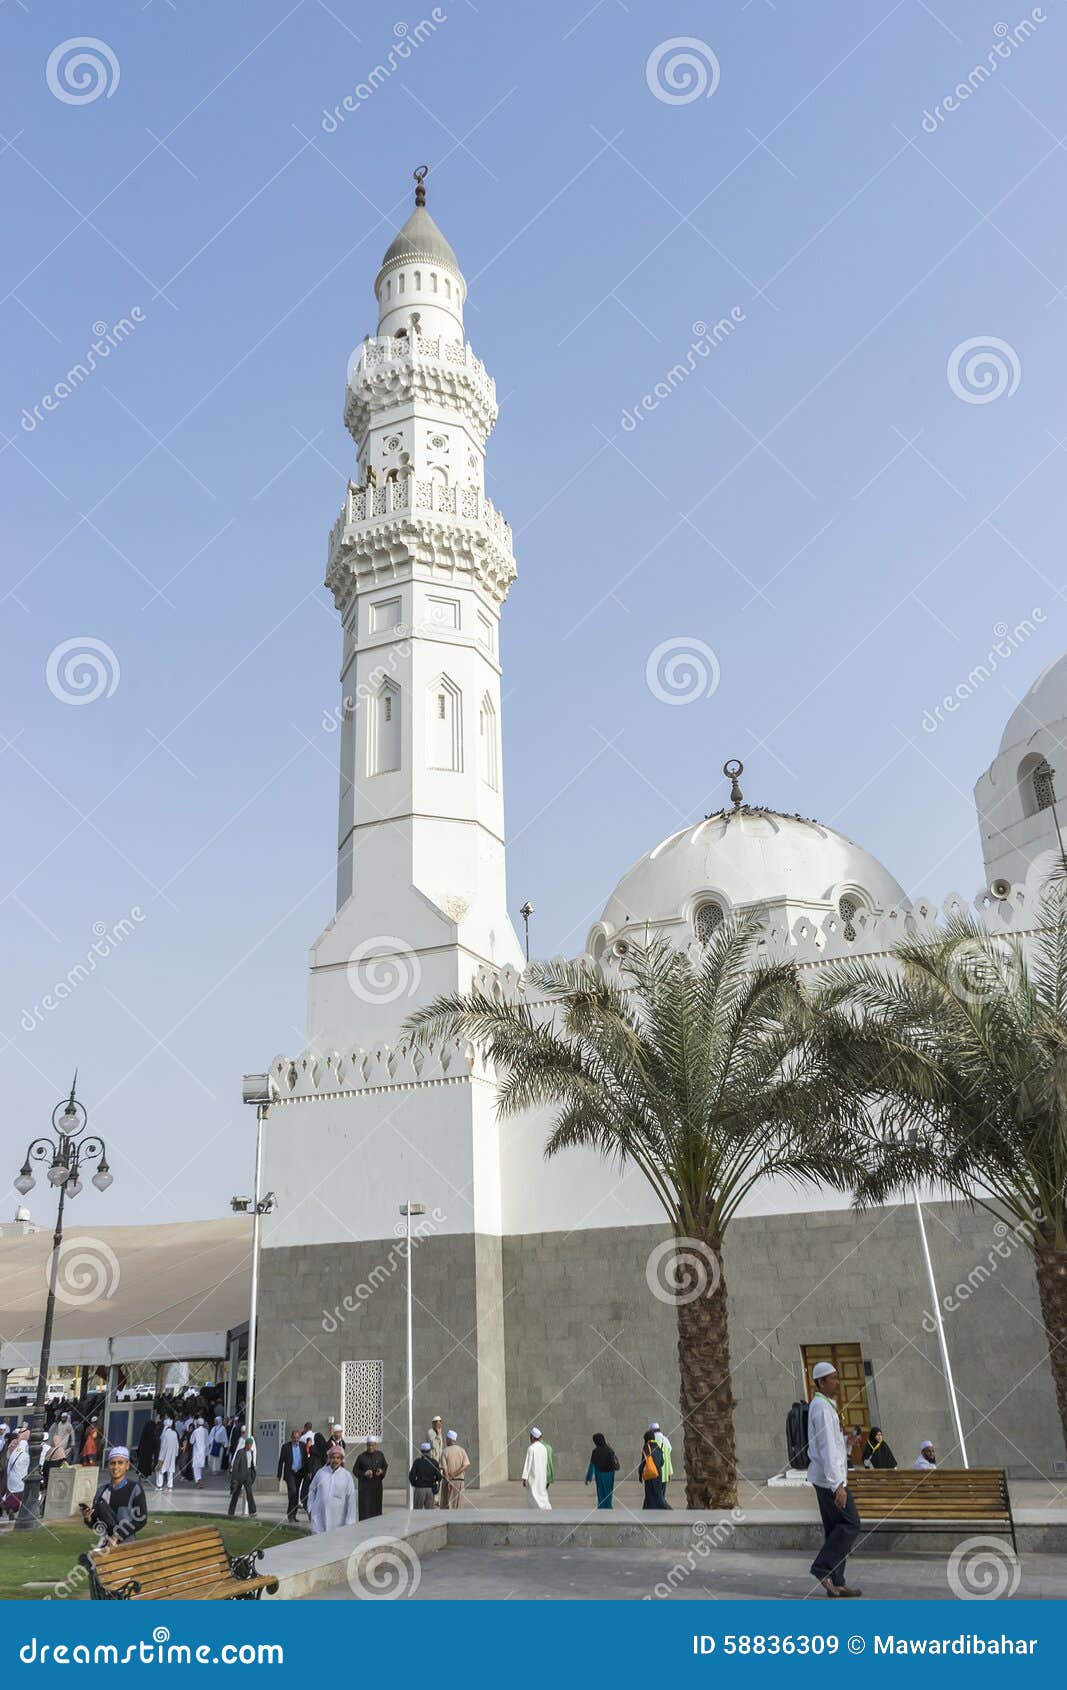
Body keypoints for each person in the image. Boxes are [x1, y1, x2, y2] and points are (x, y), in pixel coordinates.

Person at [806, 1360, 862, 1598]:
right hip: (830, 1481)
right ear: (820, 1382)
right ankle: (822, 1568)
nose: (838, 1382)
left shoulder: (826, 1406)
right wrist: (837, 1485)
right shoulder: (821, 1408)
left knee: (836, 1528)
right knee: (851, 1524)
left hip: (828, 1478)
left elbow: (834, 1443)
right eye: (833, 1379)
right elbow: (826, 1448)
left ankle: (836, 1581)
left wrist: (848, 1442)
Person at [80, 1447, 147, 1547]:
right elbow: (97, 1525)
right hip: (105, 1545)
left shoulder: (134, 1488)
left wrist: (117, 1536)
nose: (116, 1467)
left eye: (120, 1463)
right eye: (112, 1463)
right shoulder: (101, 1491)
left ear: (127, 1465)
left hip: (127, 1547)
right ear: (108, 1466)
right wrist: (88, 1518)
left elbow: (141, 1519)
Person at [308, 1443, 357, 1532]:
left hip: (339, 1519)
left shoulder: (347, 1476)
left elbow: (351, 1499)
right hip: (319, 1517)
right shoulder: (321, 1472)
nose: (335, 1460)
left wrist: (350, 1520)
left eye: (338, 1458)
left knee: (337, 1539)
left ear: (341, 1459)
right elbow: (312, 1489)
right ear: (329, 1459)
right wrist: (310, 1507)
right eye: (333, 1457)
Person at [353, 1437, 388, 1520]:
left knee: (376, 1510)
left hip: (377, 1488)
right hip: (365, 1489)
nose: (370, 1447)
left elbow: (385, 1466)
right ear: (366, 1445)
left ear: (375, 1445)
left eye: (372, 1445)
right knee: (365, 1510)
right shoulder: (361, 1457)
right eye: (369, 1445)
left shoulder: (380, 1455)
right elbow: (355, 1470)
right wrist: (364, 1473)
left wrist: (381, 1471)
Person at [277, 1430, 306, 1522]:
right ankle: (290, 1514)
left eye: (297, 1438)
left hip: (299, 1473)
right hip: (290, 1473)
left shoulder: (303, 1446)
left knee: (296, 1494)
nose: (296, 1440)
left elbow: (305, 1459)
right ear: (291, 1438)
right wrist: (279, 1474)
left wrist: (307, 1471)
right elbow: (281, 1461)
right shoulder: (286, 1447)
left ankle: (293, 1515)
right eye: (294, 1438)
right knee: (292, 1491)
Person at [585, 1432, 618, 1509]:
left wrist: (588, 1478)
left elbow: (592, 1465)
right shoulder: (609, 1450)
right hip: (610, 1474)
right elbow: (613, 1462)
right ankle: (608, 1507)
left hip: (599, 1474)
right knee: (609, 1492)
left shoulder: (595, 1451)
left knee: (600, 1492)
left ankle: (601, 1508)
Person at [3, 1427, 30, 1520]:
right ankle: (16, 1511)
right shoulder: (25, 1448)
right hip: (20, 1476)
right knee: (20, 1494)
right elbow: (26, 1461)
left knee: (11, 1494)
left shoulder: (17, 1449)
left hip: (12, 1475)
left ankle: (10, 1509)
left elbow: (11, 1460)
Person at [522, 1427, 551, 1511]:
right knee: (542, 1494)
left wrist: (524, 1477)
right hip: (542, 1477)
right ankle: (545, 1508)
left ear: (532, 1437)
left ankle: (536, 1510)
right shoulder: (544, 1448)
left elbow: (528, 1463)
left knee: (533, 1495)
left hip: (533, 1477)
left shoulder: (531, 1448)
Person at [440, 1429, 470, 1509]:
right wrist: (455, 1474)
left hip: (448, 1482)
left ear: (450, 1439)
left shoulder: (445, 1451)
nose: (446, 1440)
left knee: (447, 1508)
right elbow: (466, 1465)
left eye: (447, 1439)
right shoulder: (462, 1450)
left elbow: (445, 1469)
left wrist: (449, 1480)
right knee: (458, 1507)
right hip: (459, 1483)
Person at [639, 1429, 669, 1509]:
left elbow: (643, 1462)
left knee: (649, 1493)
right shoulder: (658, 1447)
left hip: (649, 1475)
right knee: (658, 1493)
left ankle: (658, 1508)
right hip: (658, 1474)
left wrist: (640, 1475)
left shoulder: (646, 1447)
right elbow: (662, 1462)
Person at [227, 1438, 257, 1517]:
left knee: (249, 1493)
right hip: (239, 1476)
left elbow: (251, 1463)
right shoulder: (240, 1452)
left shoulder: (251, 1452)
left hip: (248, 1476)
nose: (249, 1446)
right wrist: (234, 1478)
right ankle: (231, 1512)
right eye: (248, 1445)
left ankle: (252, 1511)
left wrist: (253, 1472)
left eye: (250, 1445)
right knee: (236, 1494)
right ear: (246, 1444)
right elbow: (236, 1465)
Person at [408, 1442, 442, 1508]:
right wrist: (435, 1483)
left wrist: (415, 1484)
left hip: (419, 1489)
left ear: (421, 1451)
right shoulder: (434, 1462)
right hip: (430, 1489)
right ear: (430, 1451)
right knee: (429, 1512)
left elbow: (411, 1476)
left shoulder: (417, 1462)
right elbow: (439, 1477)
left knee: (417, 1511)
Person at [155, 1417, 179, 1491]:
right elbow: (177, 1445)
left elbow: (162, 1446)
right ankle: (170, 1487)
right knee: (170, 1470)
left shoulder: (164, 1434)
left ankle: (159, 1486)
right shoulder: (174, 1433)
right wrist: (176, 1454)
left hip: (164, 1455)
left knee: (160, 1470)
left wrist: (160, 1457)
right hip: (172, 1455)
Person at [649, 1421, 674, 1489]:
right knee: (662, 1491)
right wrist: (669, 1472)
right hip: (665, 1472)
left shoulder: (651, 1440)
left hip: (654, 1473)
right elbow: (669, 1456)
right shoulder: (665, 1439)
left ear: (652, 1431)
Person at [189, 1417, 209, 1486]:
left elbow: (191, 1441)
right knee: (199, 1467)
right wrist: (206, 1452)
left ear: (197, 1424)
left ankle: (198, 1481)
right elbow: (207, 1442)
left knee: (195, 1466)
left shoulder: (195, 1431)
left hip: (196, 1451)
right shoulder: (206, 1431)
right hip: (203, 1452)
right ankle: (199, 1479)